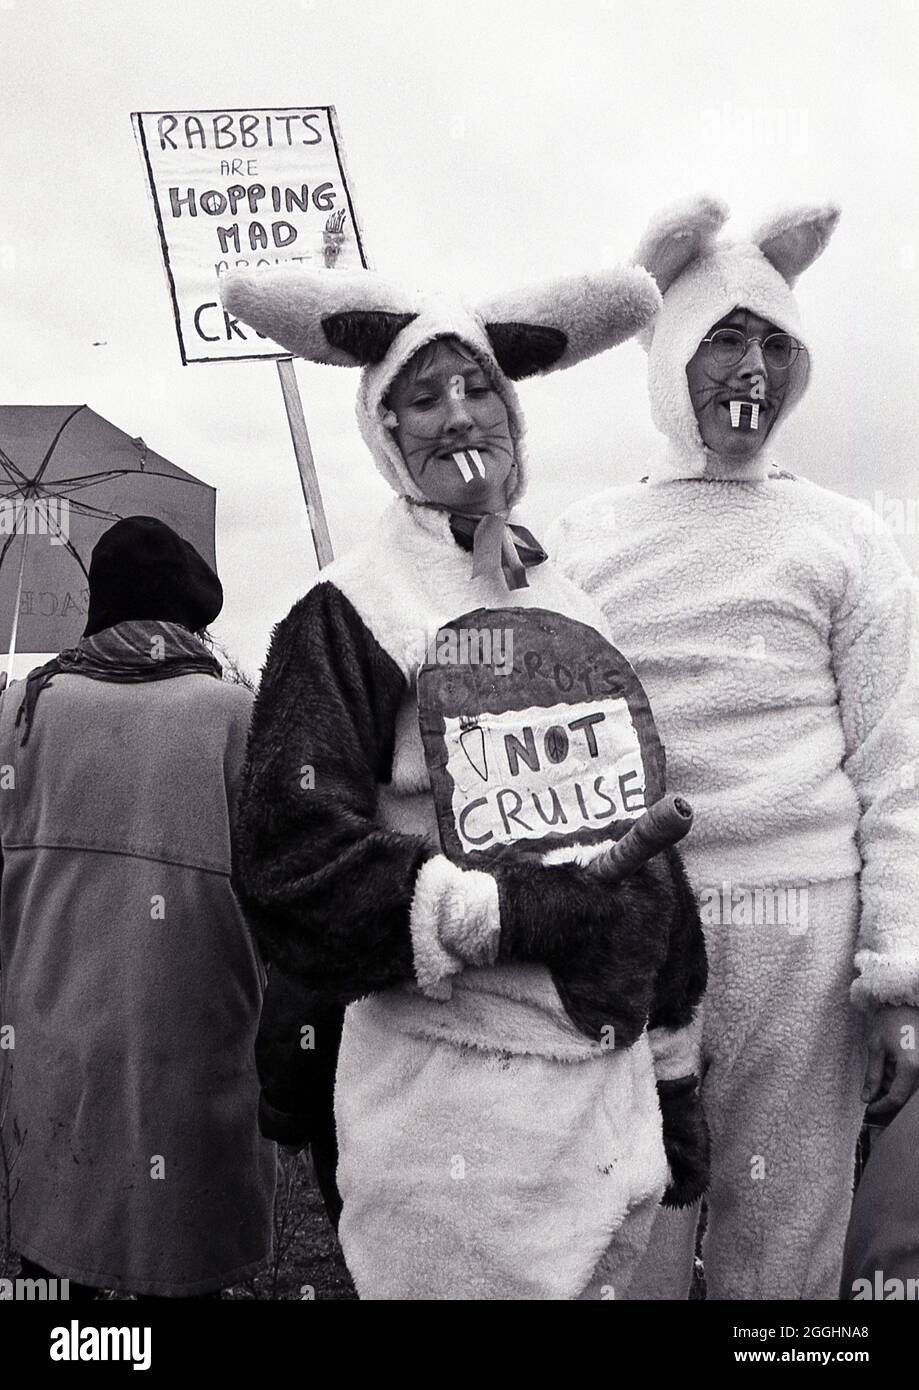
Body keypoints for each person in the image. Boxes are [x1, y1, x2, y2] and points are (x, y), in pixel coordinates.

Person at [222, 262, 709, 1300]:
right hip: (453, 1103)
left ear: (513, 411)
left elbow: (640, 851)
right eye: (421, 396)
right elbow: (289, 858)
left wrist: (673, 1072)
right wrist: (508, 912)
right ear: (383, 429)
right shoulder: (346, 609)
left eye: (477, 388)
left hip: (605, 1104)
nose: (456, 417)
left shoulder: (574, 601)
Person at [552, 196, 919, 1300]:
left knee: (786, 1243)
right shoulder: (584, 540)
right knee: (632, 1231)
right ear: (666, 356)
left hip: (804, 936)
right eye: (722, 334)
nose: (749, 364)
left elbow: (895, 764)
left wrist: (898, 967)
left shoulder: (846, 534)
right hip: (635, 922)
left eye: (773, 340)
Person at [0, 516, 275, 1299]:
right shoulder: (232, 716)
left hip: (51, 1029)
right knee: (187, 1248)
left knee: (59, 1246)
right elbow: (280, 889)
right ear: (190, 616)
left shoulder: (20, 709)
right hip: (191, 1031)